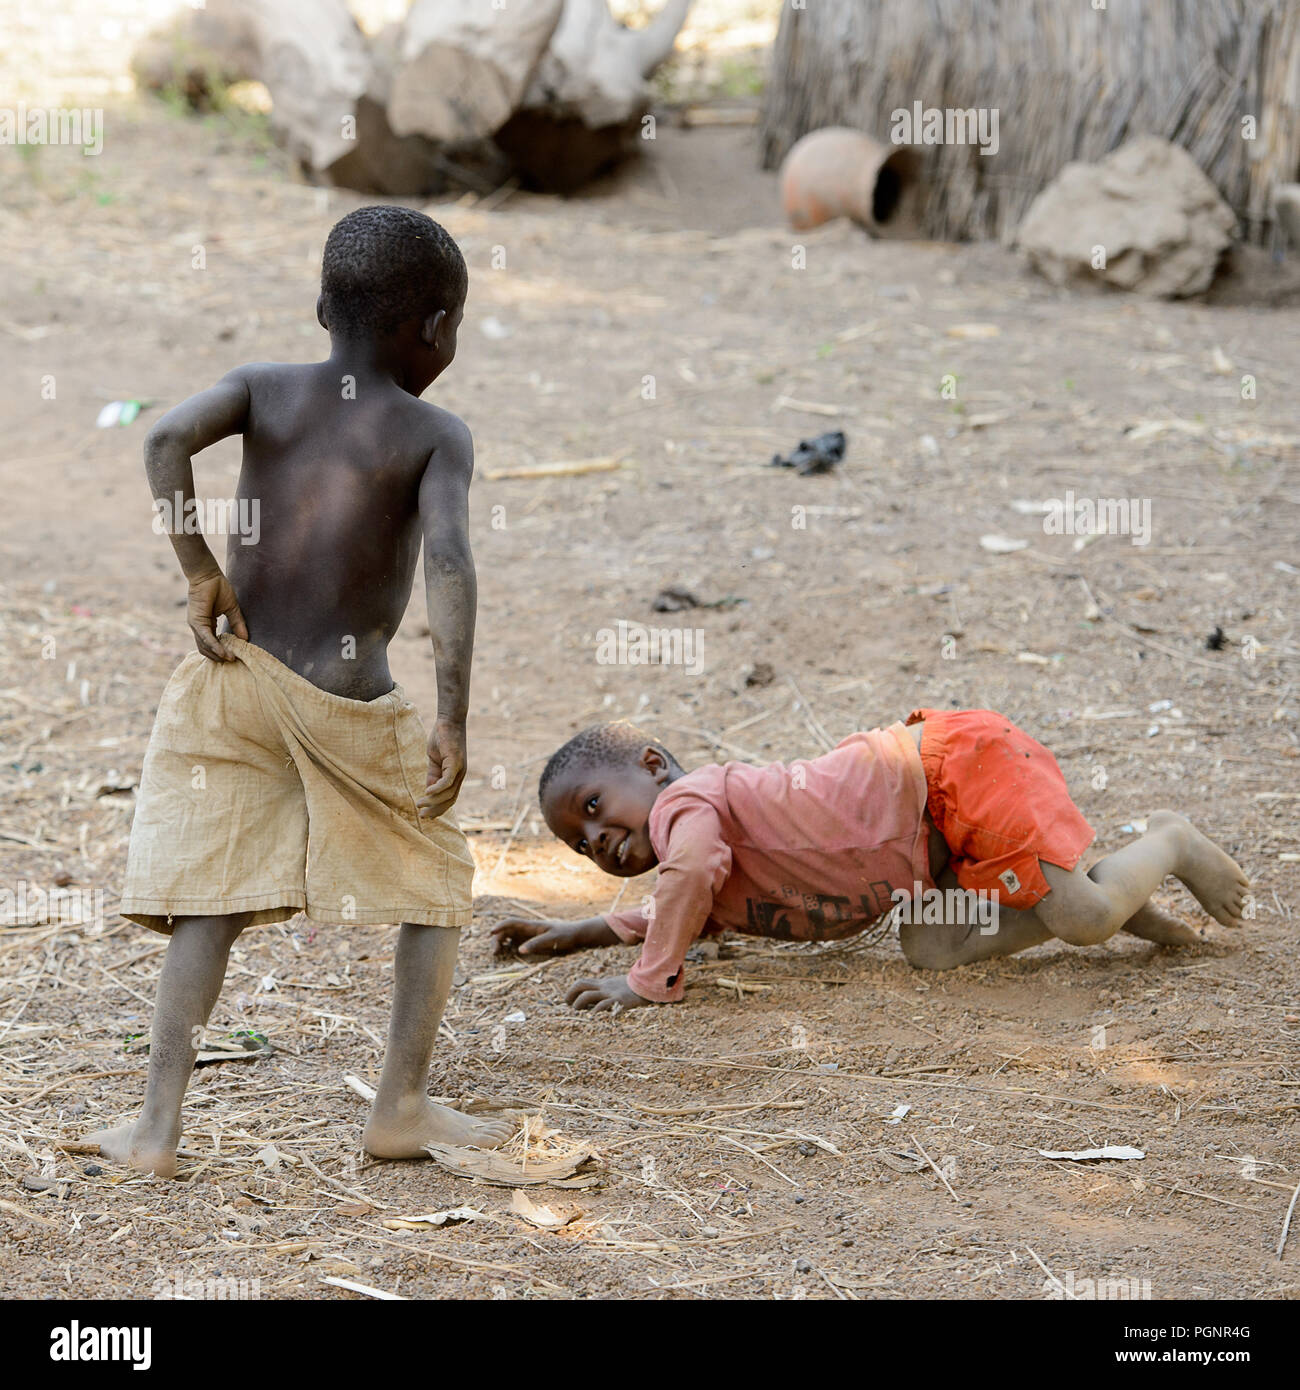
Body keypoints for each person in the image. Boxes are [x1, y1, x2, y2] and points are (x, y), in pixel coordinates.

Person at [90, 206, 513, 1176]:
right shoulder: (433, 432)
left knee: (210, 902)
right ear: (438, 331)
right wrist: (451, 712)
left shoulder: (260, 389)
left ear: (321, 306)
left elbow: (163, 442)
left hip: (240, 684)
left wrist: (199, 571)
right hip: (354, 706)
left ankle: (156, 1126)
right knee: (434, 886)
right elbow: (450, 564)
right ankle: (398, 1106)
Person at [492, 711, 1249, 1011]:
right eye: (580, 844)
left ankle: (1169, 843)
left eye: (594, 809)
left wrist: (646, 982)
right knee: (931, 946)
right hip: (935, 850)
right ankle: (1098, 886)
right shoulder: (700, 863)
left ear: (653, 765)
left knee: (1084, 923)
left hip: (954, 775)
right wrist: (580, 931)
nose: (598, 841)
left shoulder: (686, 805)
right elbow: (684, 908)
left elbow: (686, 881)